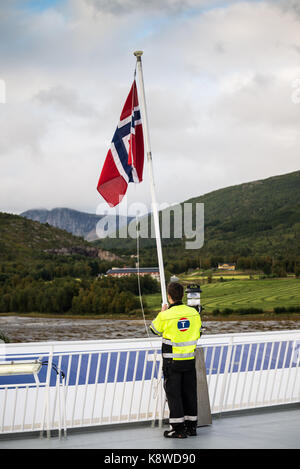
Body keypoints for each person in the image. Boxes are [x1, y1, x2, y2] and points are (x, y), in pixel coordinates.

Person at [149, 282, 202, 439]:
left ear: (169, 296)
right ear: (183, 295)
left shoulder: (165, 315)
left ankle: (178, 429)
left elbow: (154, 329)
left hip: (172, 363)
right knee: (189, 393)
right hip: (189, 360)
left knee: (174, 395)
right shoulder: (194, 313)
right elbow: (199, 332)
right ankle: (191, 427)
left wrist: (162, 312)